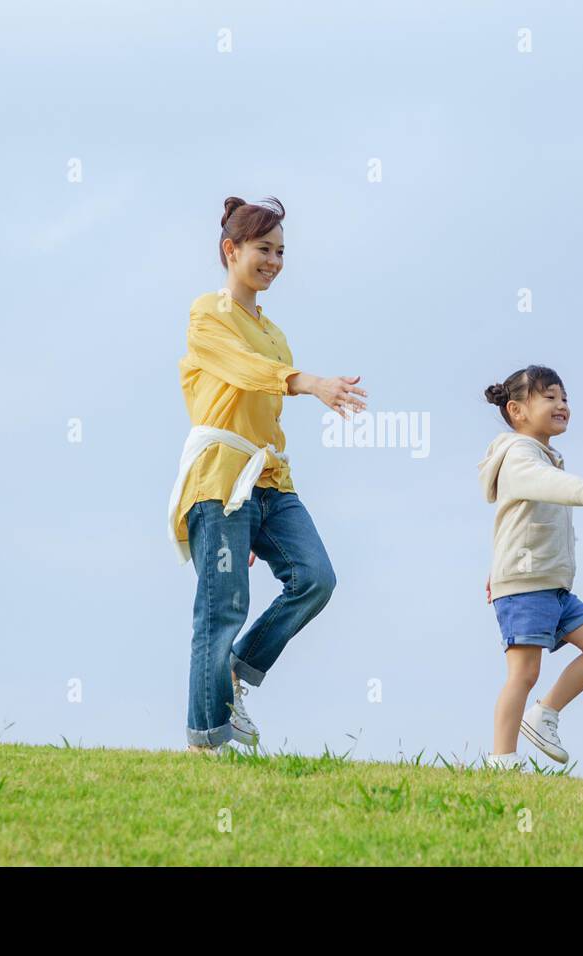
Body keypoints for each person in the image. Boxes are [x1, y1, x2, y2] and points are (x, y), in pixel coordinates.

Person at [168, 196, 367, 754]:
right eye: (263, 249)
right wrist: (309, 382)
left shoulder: (277, 334)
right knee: (222, 607)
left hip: (270, 481)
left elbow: (267, 406)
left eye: (281, 252)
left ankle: (237, 669)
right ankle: (207, 741)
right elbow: (245, 371)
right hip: (219, 484)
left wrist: (261, 516)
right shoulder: (207, 314)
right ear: (231, 250)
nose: (274, 261)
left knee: (315, 578)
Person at [478, 365, 583, 768]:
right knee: (523, 673)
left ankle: (543, 715)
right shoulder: (519, 455)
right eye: (549, 397)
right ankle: (502, 760)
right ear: (517, 410)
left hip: (552, 584)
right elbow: (548, 485)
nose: (562, 405)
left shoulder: (545, 457)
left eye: (564, 398)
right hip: (526, 584)